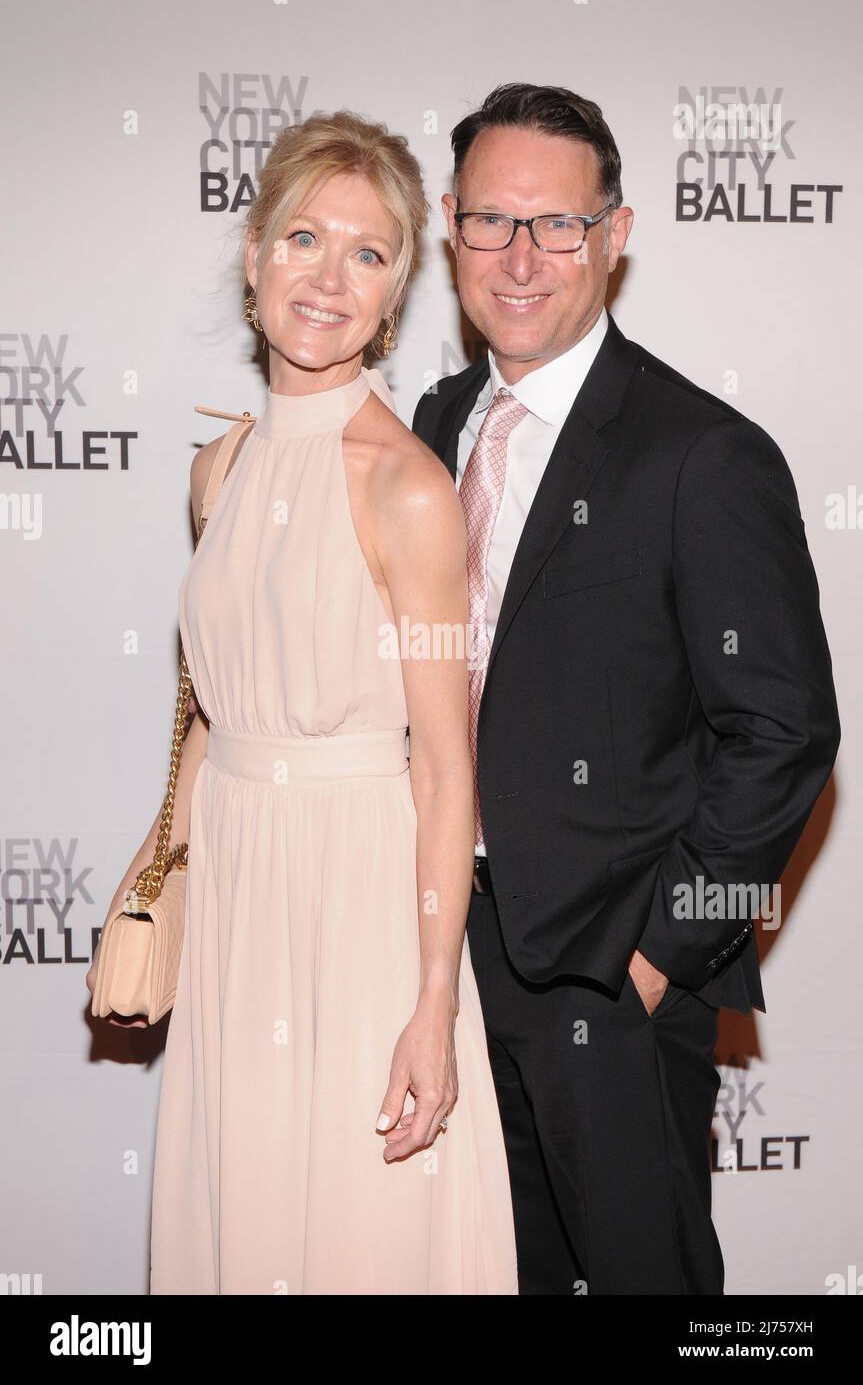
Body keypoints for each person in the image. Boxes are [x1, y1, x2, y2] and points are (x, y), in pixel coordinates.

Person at [411, 82, 841, 1295]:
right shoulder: (436, 424)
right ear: (450, 227)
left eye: (557, 225)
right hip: (450, 957)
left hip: (609, 974)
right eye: (492, 221)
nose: (521, 257)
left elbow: (786, 732)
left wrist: (655, 954)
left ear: (616, 232)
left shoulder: (697, 451)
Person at [90, 110, 517, 1295]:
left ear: (394, 298)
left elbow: (443, 766)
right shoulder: (214, 469)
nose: (328, 279)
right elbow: (211, 719)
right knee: (245, 1213)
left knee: (359, 1232)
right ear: (253, 256)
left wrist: (431, 1001)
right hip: (236, 882)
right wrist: (154, 873)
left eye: (369, 254)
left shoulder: (407, 487)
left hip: (360, 891)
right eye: (304, 239)